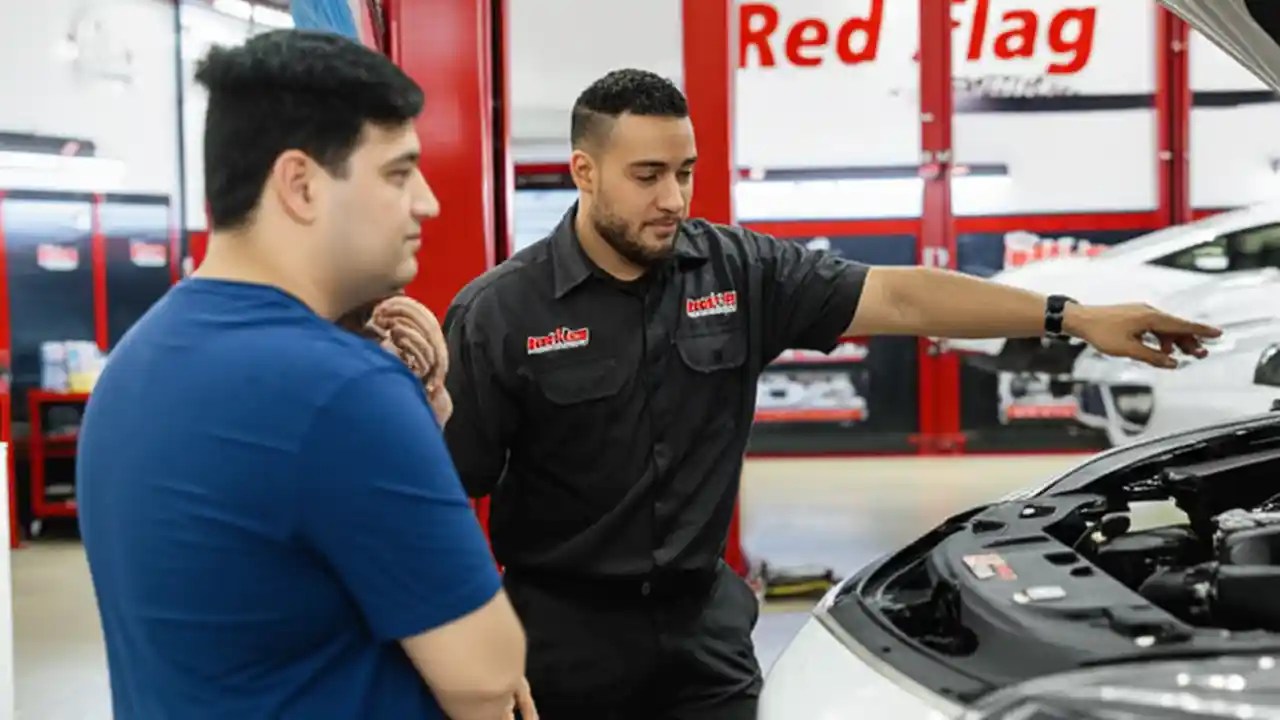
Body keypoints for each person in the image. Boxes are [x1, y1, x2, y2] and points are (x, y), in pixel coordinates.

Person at [439, 68, 1220, 720]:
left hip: (702, 626)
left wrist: (1071, 317)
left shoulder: (737, 272)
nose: (674, 198)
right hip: (561, 635)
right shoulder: (502, 312)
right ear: (584, 171)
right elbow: (447, 489)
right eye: (647, 176)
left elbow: (903, 300)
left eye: (685, 172)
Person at [76, 30, 533, 720]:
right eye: (398, 172)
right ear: (301, 185)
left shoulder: (136, 363)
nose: (427, 202)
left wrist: (424, 411)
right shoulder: (343, 390)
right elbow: (489, 672)